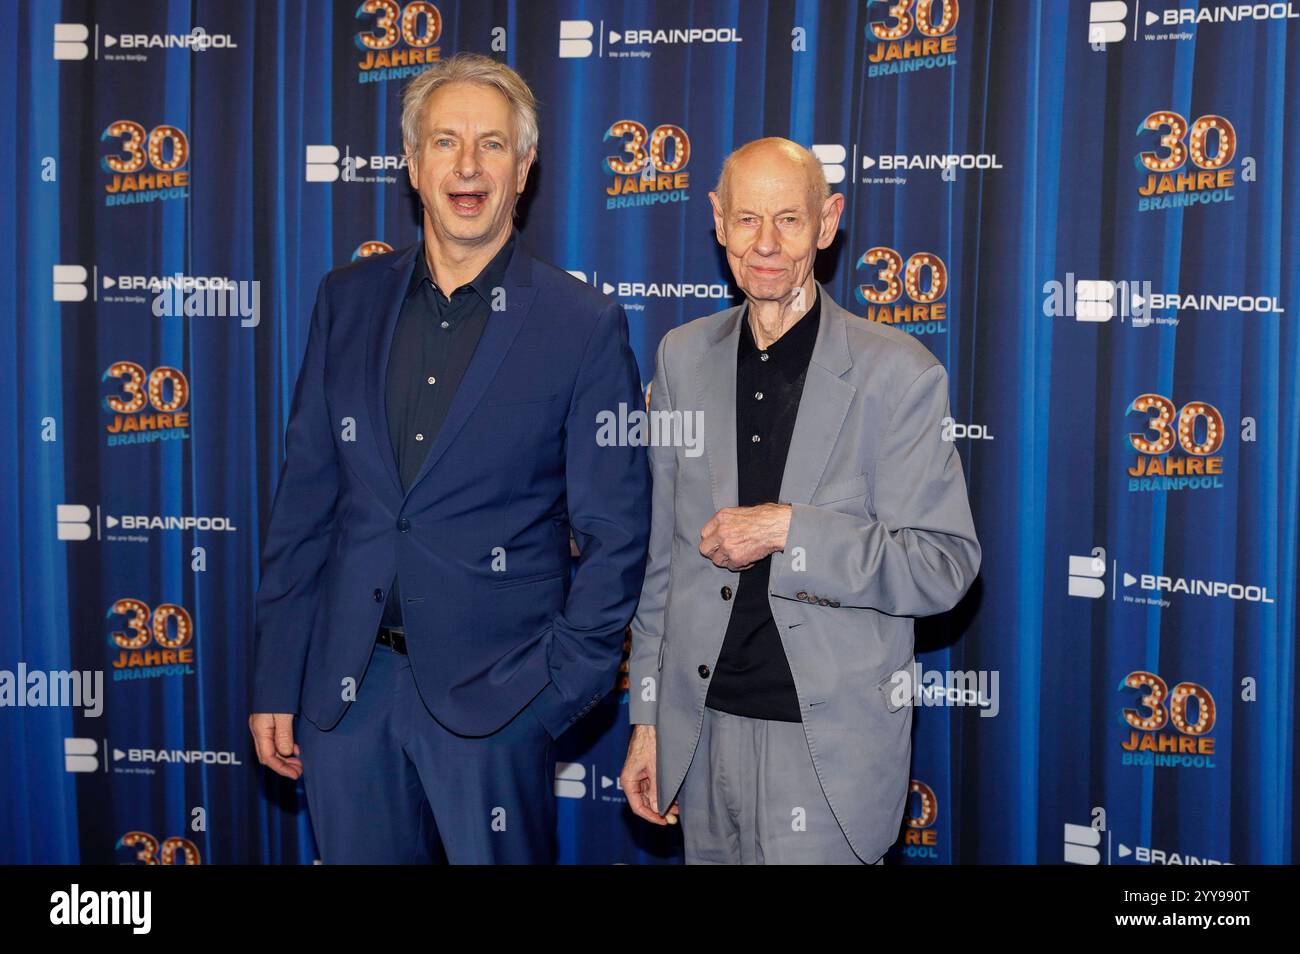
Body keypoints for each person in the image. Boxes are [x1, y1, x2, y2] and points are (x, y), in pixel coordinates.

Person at [249, 53, 650, 864]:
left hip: (497, 702)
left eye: (493, 146)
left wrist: (553, 691)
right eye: (446, 141)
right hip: (345, 695)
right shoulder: (345, 300)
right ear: (412, 162)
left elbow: (618, 532)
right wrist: (276, 675)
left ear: (526, 168)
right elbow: (304, 505)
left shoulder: (582, 324)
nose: (468, 167)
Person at [620, 138, 980, 864]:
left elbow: (944, 565)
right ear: (717, 221)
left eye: (788, 220)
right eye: (747, 219)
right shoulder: (681, 358)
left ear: (828, 222)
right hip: (704, 730)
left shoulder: (899, 374)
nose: (765, 245)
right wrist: (649, 718)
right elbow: (662, 559)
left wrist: (791, 530)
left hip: (826, 751)